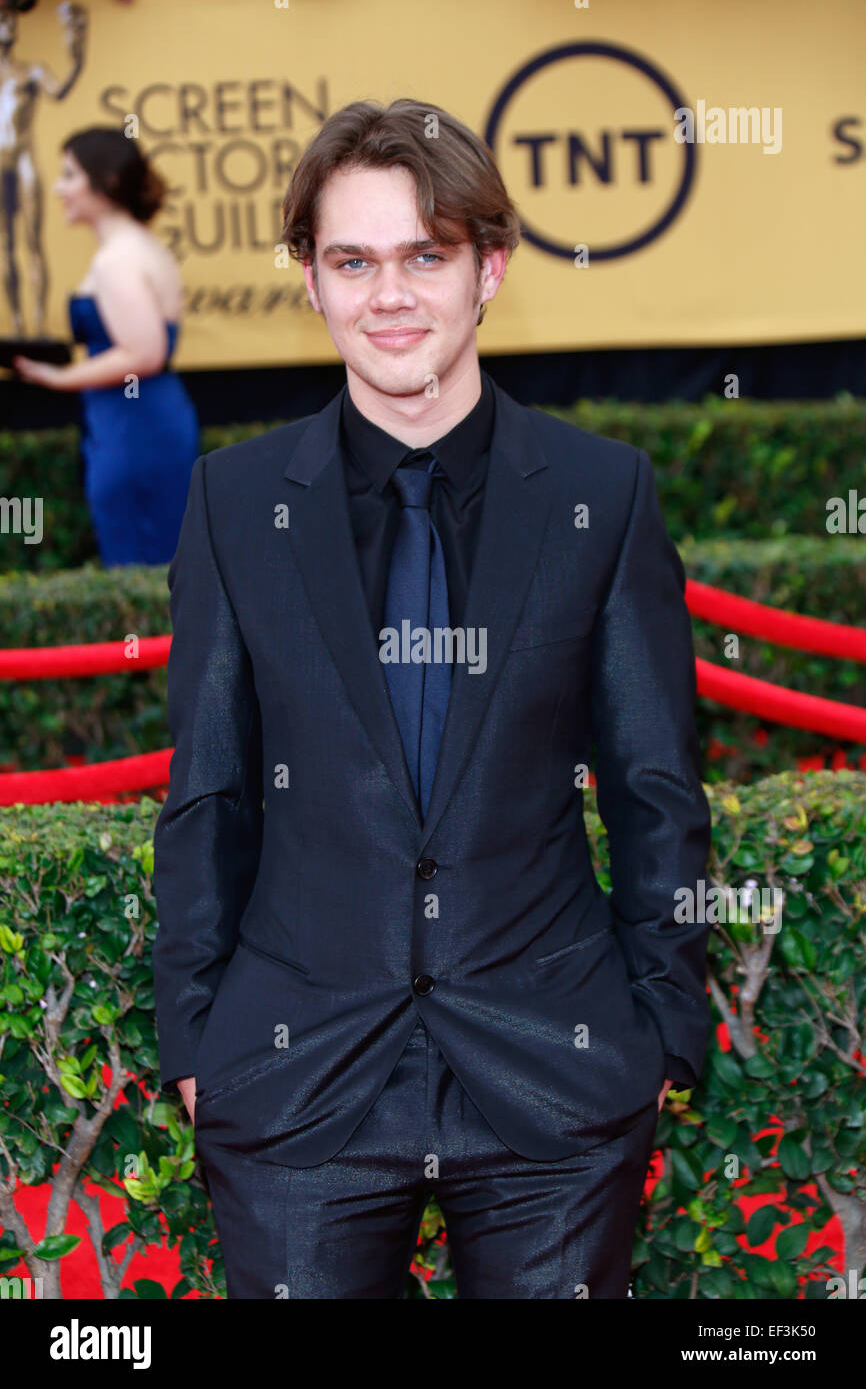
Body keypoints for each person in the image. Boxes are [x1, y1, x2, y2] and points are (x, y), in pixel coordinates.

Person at [151, 97, 713, 1300]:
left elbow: (655, 778)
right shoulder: (236, 503)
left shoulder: (597, 494)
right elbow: (208, 788)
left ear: (488, 269)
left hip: (549, 1078)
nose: (389, 294)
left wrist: (660, 1022)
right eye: (352, 259)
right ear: (308, 278)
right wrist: (196, 1040)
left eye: (425, 255)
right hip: (297, 1082)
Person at [12, 126, 199, 566]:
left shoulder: (119, 258)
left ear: (107, 182)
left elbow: (143, 353)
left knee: (145, 566)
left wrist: (57, 377)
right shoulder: (138, 248)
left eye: (70, 175)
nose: (59, 188)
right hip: (141, 424)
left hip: (134, 431)